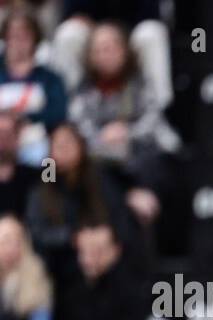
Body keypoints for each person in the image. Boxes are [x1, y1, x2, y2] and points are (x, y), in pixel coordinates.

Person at [66, 19, 177, 226]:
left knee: (159, 160)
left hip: (142, 156)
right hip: (102, 160)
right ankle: (128, 200)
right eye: (98, 50)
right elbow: (79, 126)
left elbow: (153, 118)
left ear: (124, 50)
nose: (105, 55)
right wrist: (103, 136)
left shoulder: (140, 82)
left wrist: (128, 132)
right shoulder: (83, 90)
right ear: (90, 56)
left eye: (110, 48)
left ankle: (146, 205)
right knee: (94, 171)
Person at [25, 122, 133, 280]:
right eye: (58, 144)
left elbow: (119, 216)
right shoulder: (45, 186)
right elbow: (38, 233)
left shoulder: (98, 179)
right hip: (61, 265)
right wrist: (73, 238)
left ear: (81, 146)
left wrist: (107, 235)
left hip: (105, 257)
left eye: (69, 142)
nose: (64, 148)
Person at [50, 1, 173, 108]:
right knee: (69, 34)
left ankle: (158, 110)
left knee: (152, 32)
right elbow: (73, 13)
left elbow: (151, 14)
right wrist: (103, 36)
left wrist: (115, 37)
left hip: (130, 36)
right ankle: (65, 114)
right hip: (93, 36)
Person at [0, 9, 67, 165]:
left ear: (35, 39)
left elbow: (58, 113)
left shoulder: (50, 78)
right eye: (13, 35)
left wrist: (26, 119)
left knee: (50, 156)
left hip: (37, 139)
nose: (19, 42)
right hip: (2, 137)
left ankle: (49, 186)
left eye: (24, 36)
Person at [0, 112, 38, 217]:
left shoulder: (33, 175)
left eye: (7, 134)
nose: (3, 140)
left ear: (17, 138)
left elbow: (53, 184)